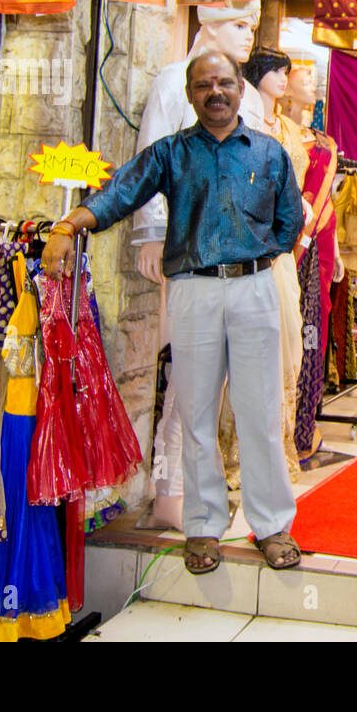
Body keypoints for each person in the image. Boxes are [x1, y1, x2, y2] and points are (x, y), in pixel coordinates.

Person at [40, 51, 305, 573]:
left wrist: (253, 258)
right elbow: (119, 193)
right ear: (190, 95)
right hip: (193, 292)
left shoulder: (270, 153)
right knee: (197, 414)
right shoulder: (170, 154)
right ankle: (203, 528)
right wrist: (68, 225)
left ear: (239, 90)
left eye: (224, 82)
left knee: (260, 413)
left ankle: (272, 526)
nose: (216, 92)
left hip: (254, 288)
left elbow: (289, 221)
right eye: (204, 85)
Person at [134, 2, 263, 530]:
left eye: (253, 26)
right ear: (206, 23)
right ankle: (172, 491)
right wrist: (152, 231)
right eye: (238, 24)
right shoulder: (173, 83)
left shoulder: (248, 97)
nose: (248, 36)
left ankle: (193, 490)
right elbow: (152, 157)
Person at [242, 47, 333, 469]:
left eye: (287, 72)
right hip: (256, 241)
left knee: (292, 340)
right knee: (255, 344)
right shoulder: (246, 124)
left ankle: (281, 441)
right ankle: (242, 448)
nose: (286, 79)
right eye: (278, 72)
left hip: (292, 243)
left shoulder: (292, 132)